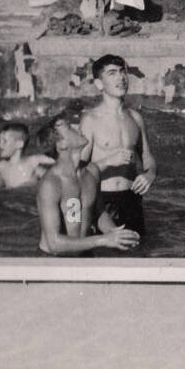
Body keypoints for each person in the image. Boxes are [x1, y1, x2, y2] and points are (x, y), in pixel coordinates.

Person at [36, 111, 140, 256]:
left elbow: (99, 213)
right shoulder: (51, 184)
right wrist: (103, 240)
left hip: (84, 255)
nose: (77, 126)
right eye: (70, 128)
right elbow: (53, 243)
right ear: (62, 145)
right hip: (53, 261)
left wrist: (117, 235)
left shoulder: (92, 172)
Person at [79, 55, 157, 236]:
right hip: (103, 201)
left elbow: (146, 156)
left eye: (123, 72)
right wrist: (108, 160)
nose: (120, 78)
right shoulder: (91, 120)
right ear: (99, 84)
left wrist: (150, 174)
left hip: (132, 199)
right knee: (105, 256)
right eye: (112, 73)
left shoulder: (136, 118)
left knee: (137, 252)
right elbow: (78, 171)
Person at [0, 123, 54, 188]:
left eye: (4, 141)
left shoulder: (32, 161)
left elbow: (60, 161)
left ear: (19, 144)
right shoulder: (1, 167)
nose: (0, 145)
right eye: (0, 141)